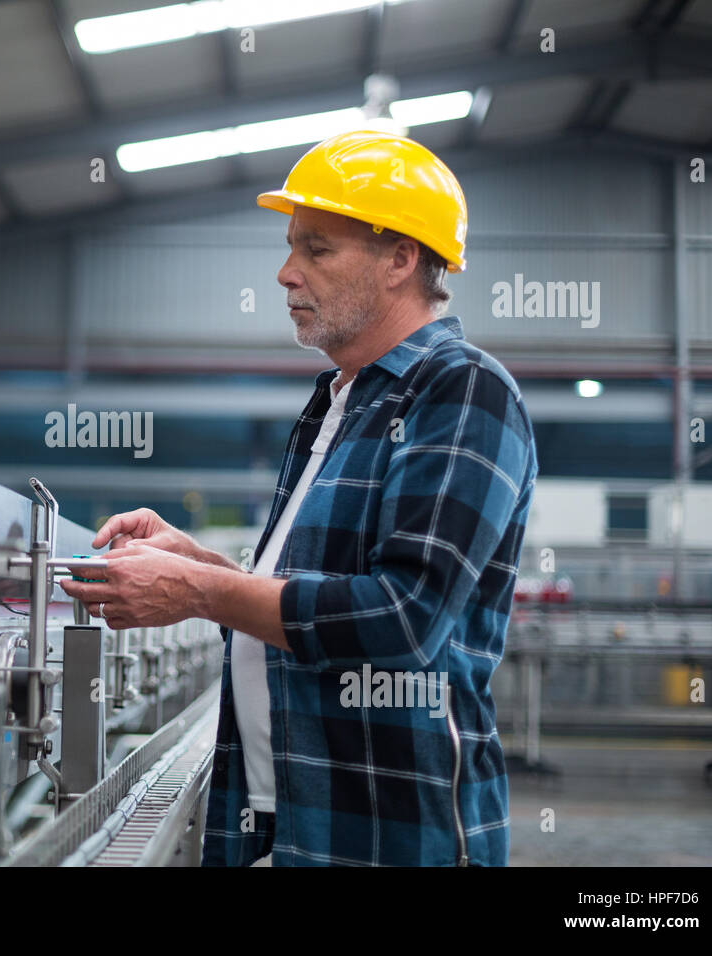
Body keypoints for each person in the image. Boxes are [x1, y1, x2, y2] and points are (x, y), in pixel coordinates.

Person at [59, 130, 538, 867]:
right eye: (291, 248)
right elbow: (307, 601)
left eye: (317, 250)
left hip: (385, 831)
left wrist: (199, 589)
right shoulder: (337, 404)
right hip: (275, 812)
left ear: (401, 258)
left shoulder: (462, 389)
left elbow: (402, 620)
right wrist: (201, 563)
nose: (286, 274)